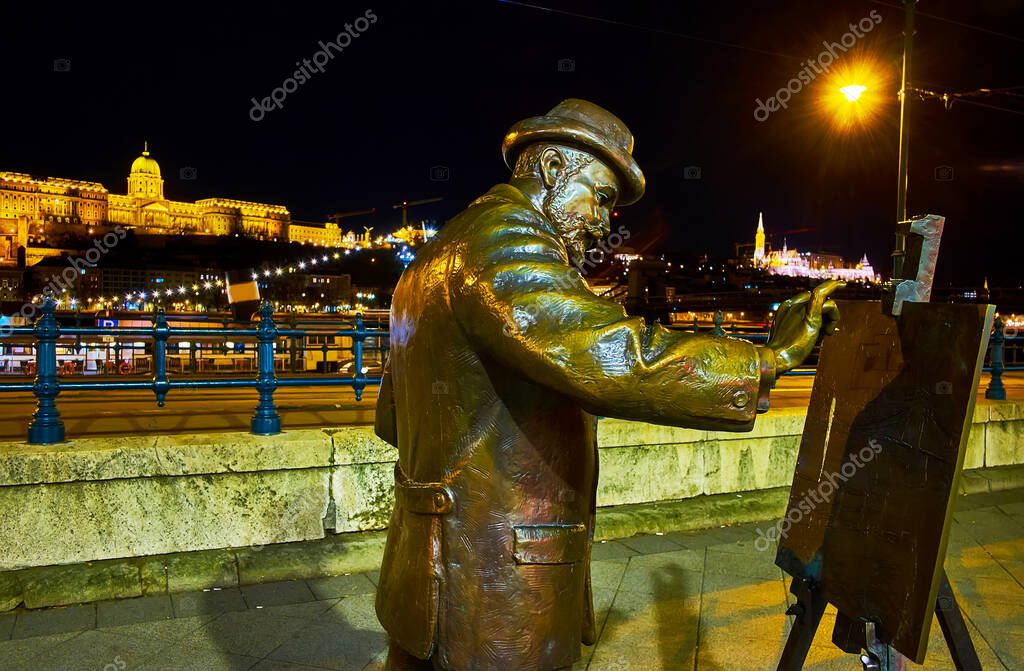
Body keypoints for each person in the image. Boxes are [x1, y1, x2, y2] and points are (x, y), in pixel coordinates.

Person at [374, 99, 842, 670]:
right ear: (552, 169)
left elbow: (392, 420)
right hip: (490, 580)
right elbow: (613, 356)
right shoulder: (504, 241)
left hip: (426, 569)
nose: (603, 221)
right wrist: (767, 358)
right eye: (599, 196)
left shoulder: (435, 253)